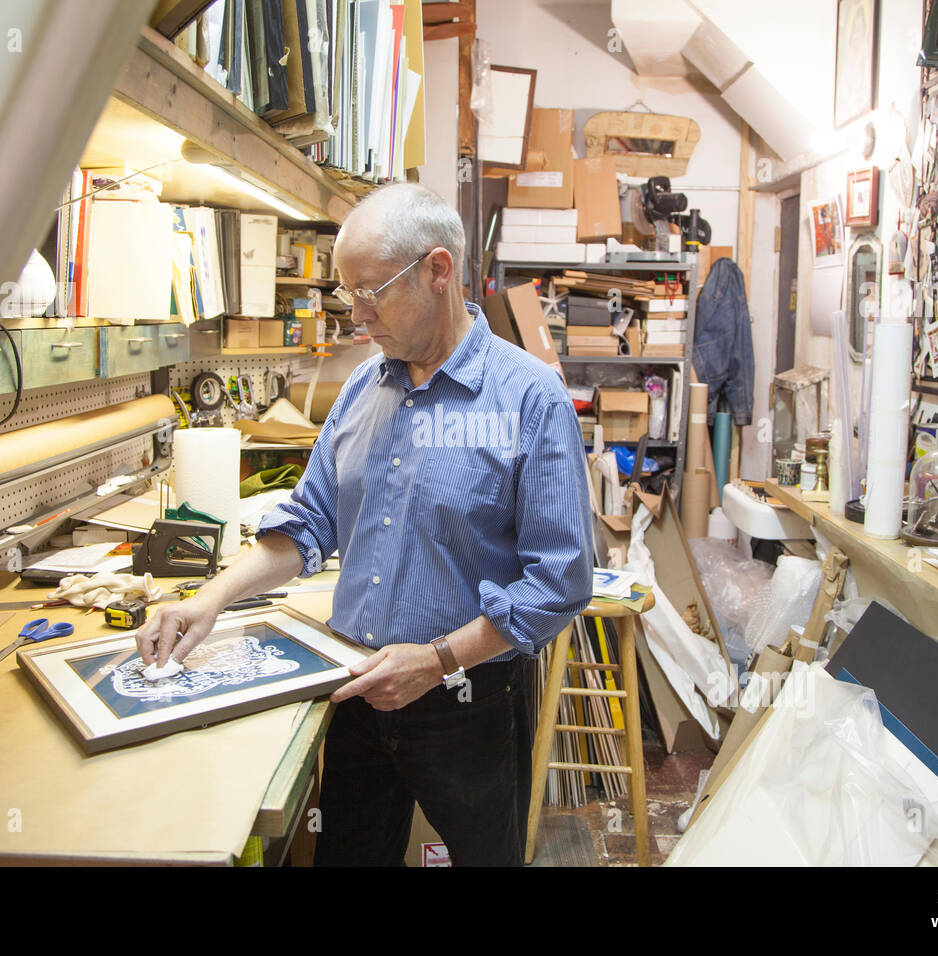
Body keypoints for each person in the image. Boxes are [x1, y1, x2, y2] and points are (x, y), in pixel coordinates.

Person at [136, 183, 595, 866]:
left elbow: (558, 583)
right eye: (347, 294)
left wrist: (437, 661)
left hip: (464, 699)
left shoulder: (530, 396)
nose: (356, 317)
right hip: (353, 687)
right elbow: (311, 519)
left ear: (439, 271)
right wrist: (205, 601)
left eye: (371, 293)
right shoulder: (363, 386)